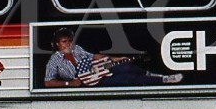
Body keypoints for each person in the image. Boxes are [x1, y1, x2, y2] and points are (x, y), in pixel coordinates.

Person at [43, 27, 183, 88]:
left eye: (69, 40)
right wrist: (69, 84)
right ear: (57, 44)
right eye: (64, 41)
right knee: (129, 79)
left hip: (100, 70)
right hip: (92, 83)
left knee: (127, 66)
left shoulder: (77, 49)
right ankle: (163, 80)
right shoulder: (54, 60)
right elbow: (48, 82)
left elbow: (94, 57)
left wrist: (114, 58)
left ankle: (152, 75)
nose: (68, 44)